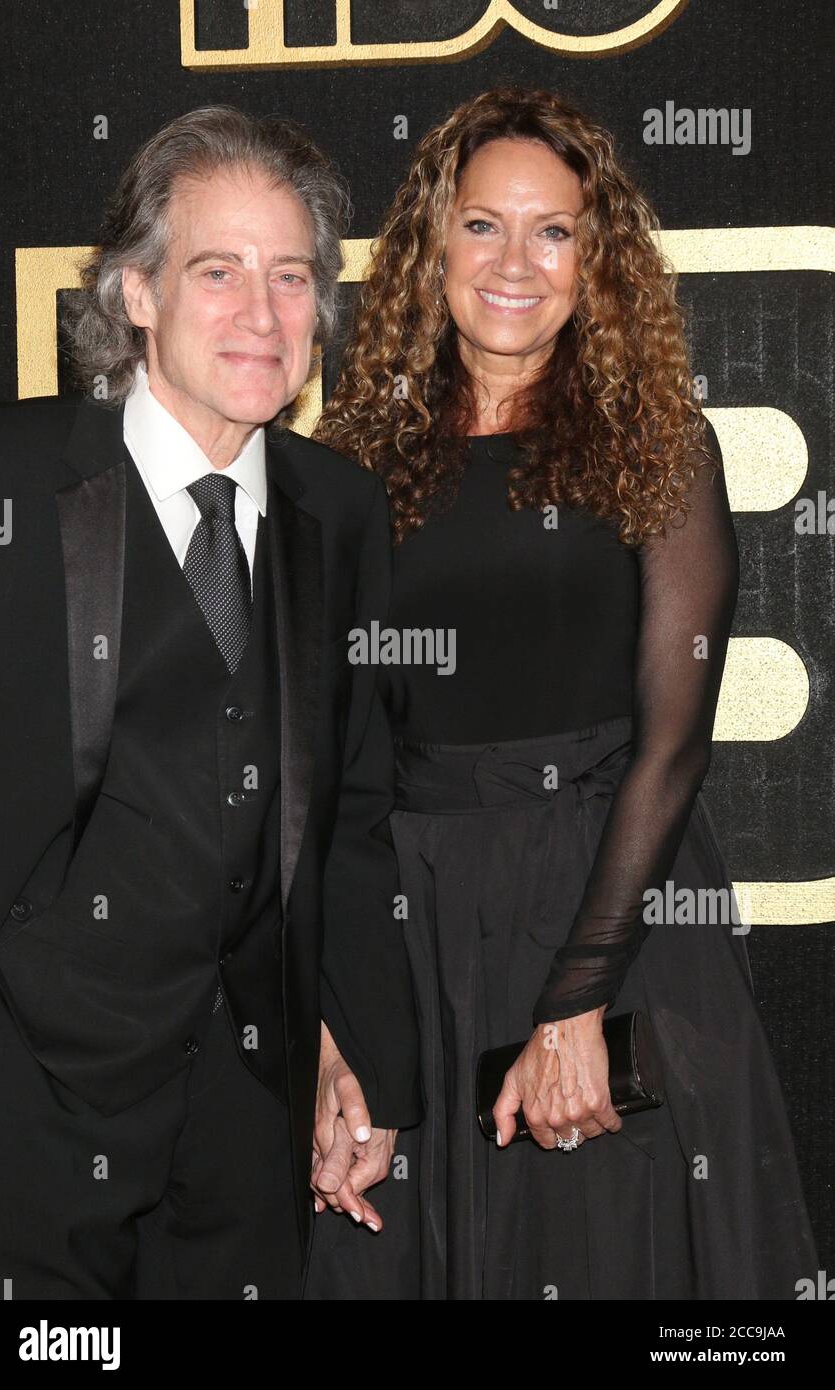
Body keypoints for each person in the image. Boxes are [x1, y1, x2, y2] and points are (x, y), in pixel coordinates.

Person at [304, 86, 819, 1300]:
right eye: (482, 226)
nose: (514, 264)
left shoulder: (651, 441)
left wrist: (574, 1005)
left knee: (609, 1251)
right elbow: (336, 763)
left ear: (598, 261)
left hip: (607, 907)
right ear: (432, 243)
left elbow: (671, 745)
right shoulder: (350, 461)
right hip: (412, 916)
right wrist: (340, 1031)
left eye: (554, 231)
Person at [0, 104, 420, 1300]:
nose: (264, 316)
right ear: (133, 294)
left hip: (243, 1107)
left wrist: (362, 1055)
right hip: (23, 1093)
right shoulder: (2, 481)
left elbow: (356, 810)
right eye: (217, 272)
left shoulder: (341, 510)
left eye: (291, 278)